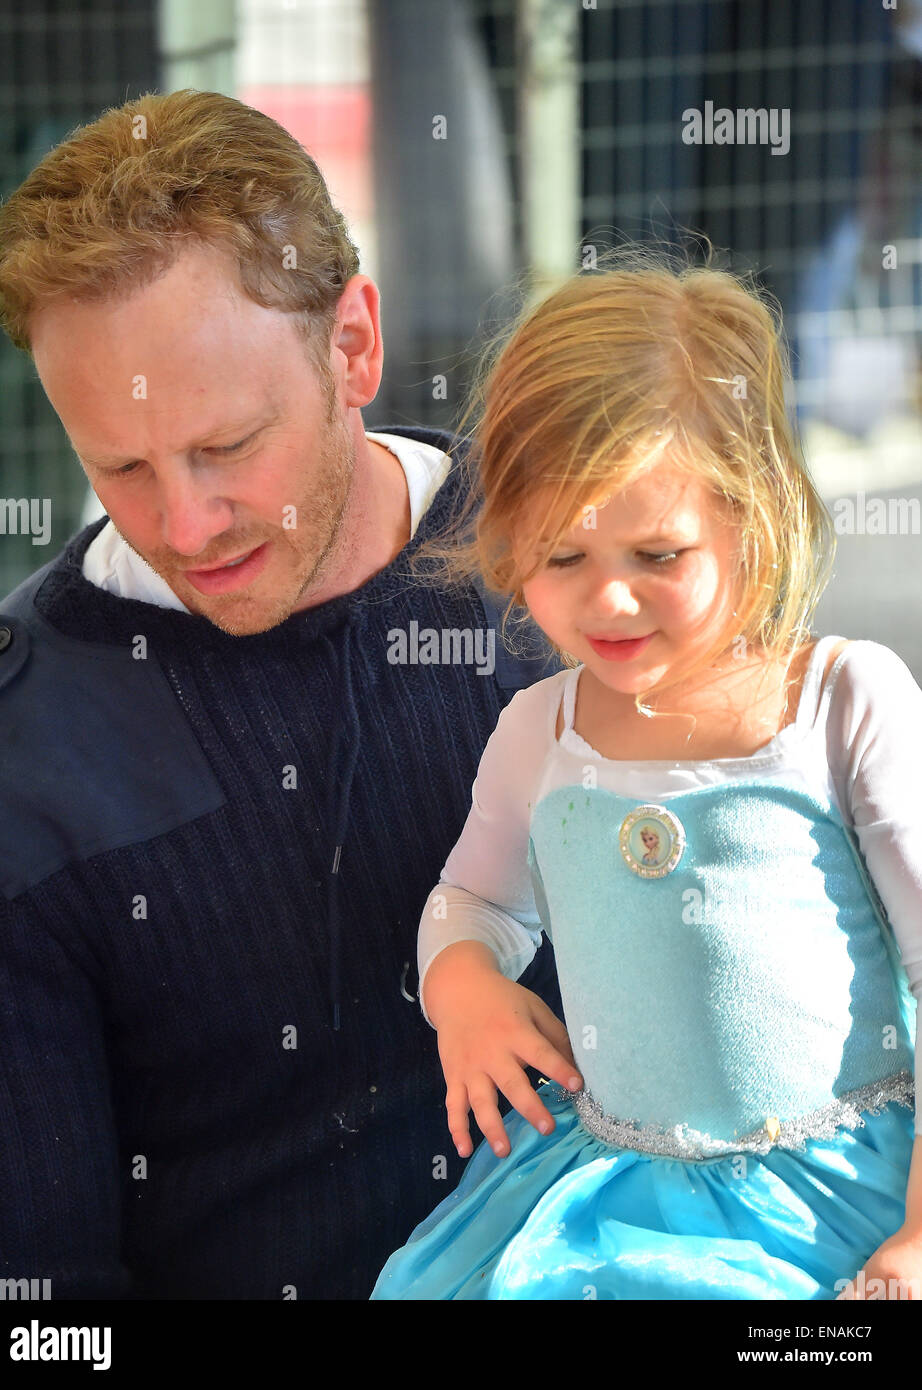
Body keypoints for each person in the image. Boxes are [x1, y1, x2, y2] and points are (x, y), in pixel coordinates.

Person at [0, 88, 562, 1300]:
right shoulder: (8, 776)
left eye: (228, 446)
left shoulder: (580, 574)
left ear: (352, 347)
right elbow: (34, 1308)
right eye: (119, 466)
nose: (186, 523)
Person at [371, 254, 922, 1299]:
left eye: (656, 554)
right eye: (559, 558)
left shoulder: (842, 706)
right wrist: (466, 990)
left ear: (747, 516)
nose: (607, 602)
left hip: (835, 1204)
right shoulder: (538, 731)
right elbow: (472, 898)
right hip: (617, 1212)